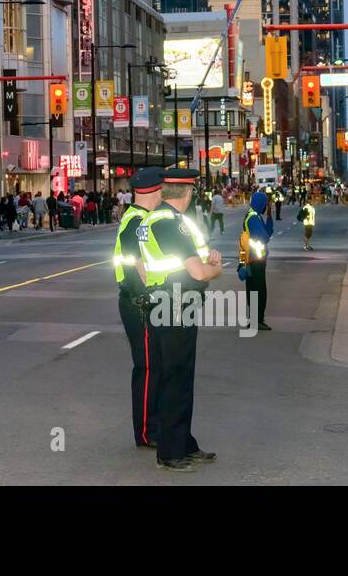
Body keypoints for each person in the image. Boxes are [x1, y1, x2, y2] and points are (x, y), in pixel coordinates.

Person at [134, 168, 222, 472]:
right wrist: (216, 269)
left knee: (172, 375)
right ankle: (171, 453)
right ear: (187, 193)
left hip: (161, 302)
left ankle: (183, 443)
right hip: (176, 305)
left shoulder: (149, 221)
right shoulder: (173, 224)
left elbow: (143, 269)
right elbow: (198, 272)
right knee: (178, 378)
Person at [112, 167, 164, 450]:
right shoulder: (137, 221)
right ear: (154, 191)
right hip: (138, 302)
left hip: (143, 301)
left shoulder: (140, 218)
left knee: (153, 365)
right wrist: (148, 294)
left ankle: (152, 425)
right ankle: (146, 431)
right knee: (147, 367)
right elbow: (136, 263)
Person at [241, 190, 273, 331]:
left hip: (258, 260)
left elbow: (268, 232)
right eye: (265, 204)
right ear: (260, 203)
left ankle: (257, 319)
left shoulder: (257, 216)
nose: (266, 206)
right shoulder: (253, 218)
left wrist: (270, 216)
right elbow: (264, 236)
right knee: (257, 291)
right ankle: (256, 321)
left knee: (258, 290)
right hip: (254, 260)